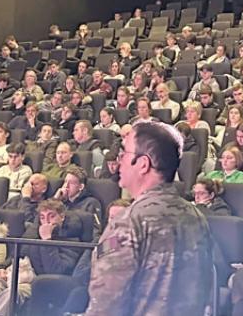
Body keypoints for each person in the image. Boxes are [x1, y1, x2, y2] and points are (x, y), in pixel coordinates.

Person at [85, 121, 216, 316]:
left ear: (143, 164)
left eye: (125, 153)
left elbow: (105, 305)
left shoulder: (128, 222)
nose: (119, 160)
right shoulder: (196, 217)